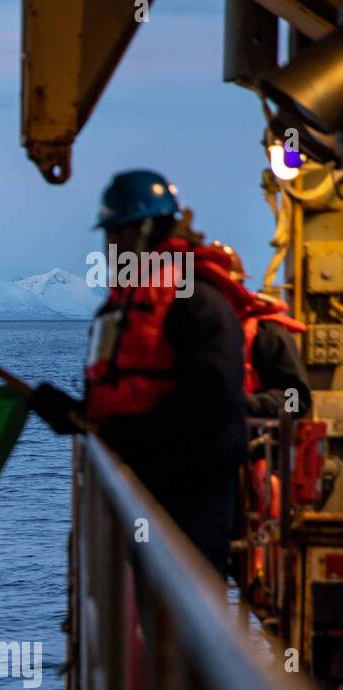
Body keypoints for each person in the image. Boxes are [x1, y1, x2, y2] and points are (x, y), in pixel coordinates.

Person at [31, 169, 248, 576]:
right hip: (143, 493)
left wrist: (131, 434)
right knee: (148, 617)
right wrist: (74, 416)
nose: (110, 247)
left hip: (190, 502)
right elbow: (123, 401)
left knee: (188, 614)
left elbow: (213, 403)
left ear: (145, 231)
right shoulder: (124, 308)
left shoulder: (195, 302)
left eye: (116, 235)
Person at [208, 242, 311, 419]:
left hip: (250, 441)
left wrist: (244, 403)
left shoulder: (268, 334)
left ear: (238, 288)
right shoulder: (195, 334)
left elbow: (296, 400)